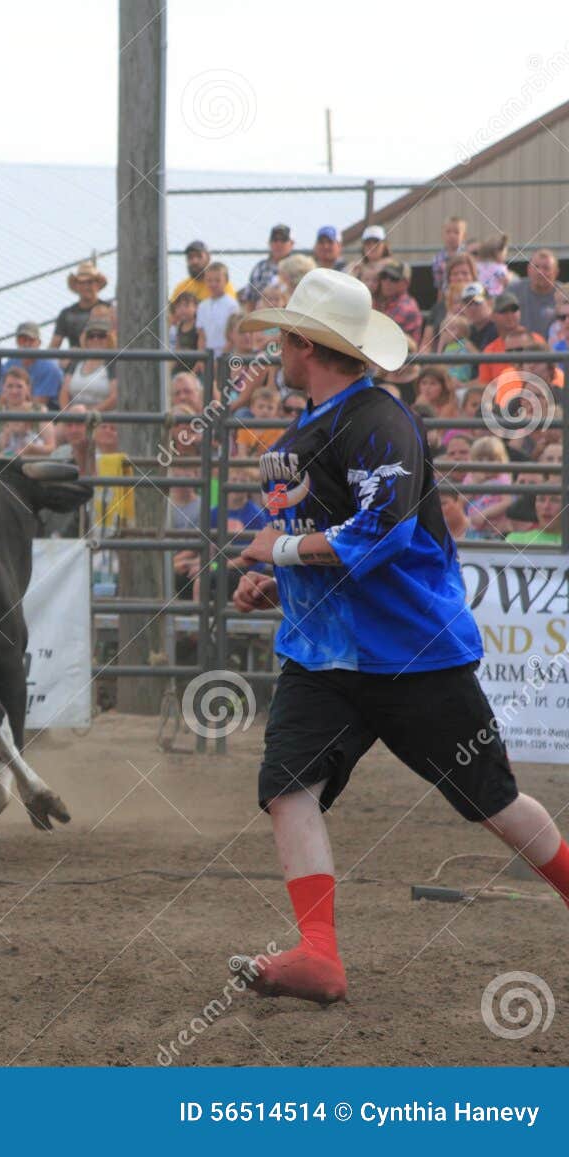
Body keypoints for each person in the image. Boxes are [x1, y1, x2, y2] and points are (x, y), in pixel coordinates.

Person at [227, 269, 569, 1004]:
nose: (277, 350)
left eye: (284, 338)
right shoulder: (324, 429)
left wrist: (276, 551)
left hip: (412, 654)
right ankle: (319, 954)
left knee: (493, 801)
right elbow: (333, 540)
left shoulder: (378, 420)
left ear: (306, 344)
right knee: (287, 787)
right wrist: (277, 580)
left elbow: (380, 532)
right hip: (326, 657)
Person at [0, 366, 56, 458]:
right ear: (3, 388)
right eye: (10, 386)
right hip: (1, 464)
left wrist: (32, 449)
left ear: (28, 388)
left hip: (34, 464)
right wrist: (9, 455)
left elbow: (52, 447)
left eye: (19, 386)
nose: (14, 391)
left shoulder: (39, 410)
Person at [58, 323, 118, 411]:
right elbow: (64, 393)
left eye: (101, 336)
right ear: (85, 340)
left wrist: (89, 414)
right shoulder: (76, 361)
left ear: (109, 339)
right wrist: (67, 414)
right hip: (74, 414)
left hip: (103, 416)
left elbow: (115, 397)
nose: (95, 339)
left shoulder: (114, 363)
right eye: (91, 336)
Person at [52, 261, 111, 349]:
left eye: (90, 282)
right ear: (76, 286)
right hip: (75, 356)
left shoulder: (110, 310)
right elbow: (54, 346)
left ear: (97, 284)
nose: (86, 286)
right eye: (82, 283)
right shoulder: (67, 314)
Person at [508, 249, 563, 340]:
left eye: (546, 268)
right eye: (536, 267)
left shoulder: (564, 294)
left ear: (556, 272)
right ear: (528, 269)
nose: (540, 272)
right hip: (521, 345)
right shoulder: (513, 291)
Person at [3, 321, 63, 404]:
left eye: (31, 340)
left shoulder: (51, 368)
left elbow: (38, 405)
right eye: (22, 340)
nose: (26, 344)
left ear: (39, 343)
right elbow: (3, 398)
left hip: (46, 409)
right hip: (16, 407)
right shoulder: (9, 364)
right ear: (17, 342)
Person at [169, 240, 235, 304]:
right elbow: (172, 310)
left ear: (208, 258)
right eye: (190, 257)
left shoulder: (222, 285)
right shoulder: (182, 288)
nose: (195, 261)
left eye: (199, 256)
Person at [373, 261, 423, 346]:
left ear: (406, 283)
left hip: (401, 352)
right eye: (384, 276)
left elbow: (379, 334)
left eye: (393, 278)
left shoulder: (407, 307)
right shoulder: (380, 301)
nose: (387, 282)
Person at [196, 263, 239, 357]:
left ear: (226, 281)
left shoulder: (232, 305)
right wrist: (200, 358)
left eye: (217, 280)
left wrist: (220, 358)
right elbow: (201, 336)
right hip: (207, 356)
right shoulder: (202, 306)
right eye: (209, 280)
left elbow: (232, 336)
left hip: (227, 356)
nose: (213, 284)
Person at [243, 224, 293, 302]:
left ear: (292, 243)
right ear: (269, 243)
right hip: (263, 310)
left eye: (283, 240)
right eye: (275, 240)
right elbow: (250, 300)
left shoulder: (299, 268)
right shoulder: (259, 268)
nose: (278, 244)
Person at [430, 215, 469, 296]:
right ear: (443, 235)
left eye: (456, 232)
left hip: (466, 294)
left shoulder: (468, 256)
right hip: (448, 297)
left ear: (464, 236)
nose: (452, 236)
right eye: (448, 232)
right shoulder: (438, 259)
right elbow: (439, 285)